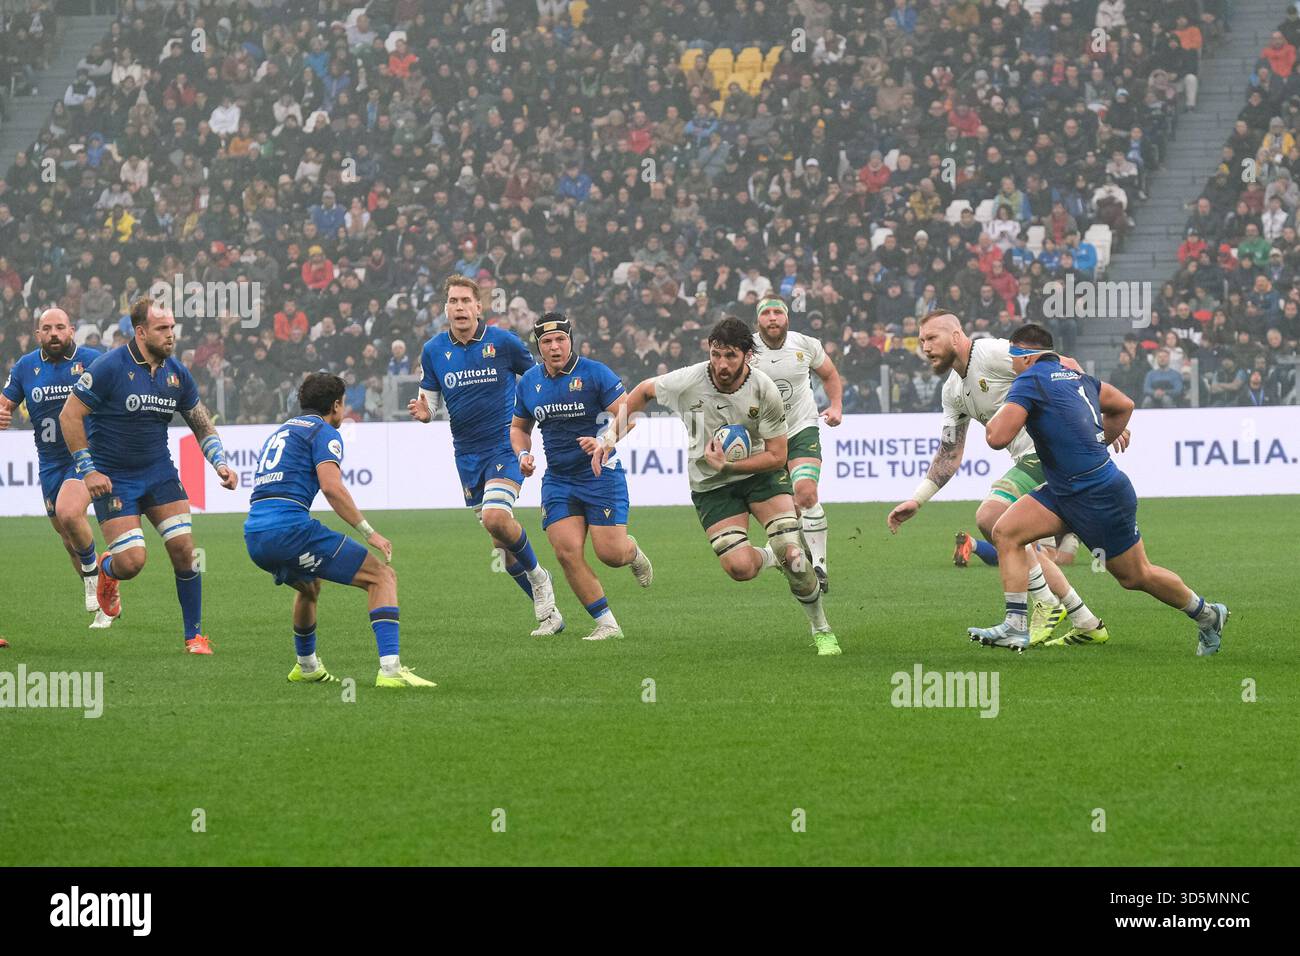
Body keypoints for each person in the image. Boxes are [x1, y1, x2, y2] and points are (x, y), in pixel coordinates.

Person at [587, 316, 841, 656]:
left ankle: (821, 628)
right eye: (716, 354)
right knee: (739, 569)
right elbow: (644, 391)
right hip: (712, 484)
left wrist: (731, 463)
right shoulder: (689, 380)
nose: (721, 364)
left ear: (748, 355)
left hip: (760, 475)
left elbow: (778, 456)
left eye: (731, 356)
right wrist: (608, 438)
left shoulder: (763, 389)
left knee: (794, 556)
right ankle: (770, 556)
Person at [970, 324, 1227, 655]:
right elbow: (1124, 404)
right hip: (1066, 490)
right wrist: (1098, 440)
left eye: (1013, 357)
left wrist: (991, 410)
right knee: (1005, 531)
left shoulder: (1028, 380)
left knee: (1136, 577)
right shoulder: (1077, 377)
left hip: (1098, 495)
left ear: (1027, 356)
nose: (1011, 364)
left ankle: (1208, 615)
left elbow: (997, 438)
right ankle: (1016, 626)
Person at [887, 310, 1101, 646]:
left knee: (991, 517)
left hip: (1052, 451)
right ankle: (1084, 619)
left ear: (956, 336)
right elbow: (948, 453)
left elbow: (1063, 363)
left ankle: (1044, 602)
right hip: (1034, 457)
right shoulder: (952, 391)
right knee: (1016, 539)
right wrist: (918, 499)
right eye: (922, 340)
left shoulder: (990, 353)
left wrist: (1100, 419)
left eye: (932, 338)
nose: (925, 347)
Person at [60, 298, 237, 654]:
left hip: (159, 472)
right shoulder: (110, 366)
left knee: (185, 551)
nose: (170, 335)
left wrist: (219, 462)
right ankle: (108, 570)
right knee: (133, 562)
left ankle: (194, 636)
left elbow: (201, 423)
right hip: (115, 478)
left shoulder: (176, 373)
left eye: (172, 328)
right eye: (162, 328)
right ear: (140, 332)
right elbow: (69, 415)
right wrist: (88, 470)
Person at [244, 372, 435, 687]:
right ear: (335, 405)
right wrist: (368, 532)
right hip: (289, 530)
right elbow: (332, 488)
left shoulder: (282, 430)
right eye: (343, 405)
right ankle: (391, 670)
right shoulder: (324, 432)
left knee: (308, 585)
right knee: (382, 576)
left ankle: (306, 666)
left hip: (255, 534)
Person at [407, 276, 561, 635]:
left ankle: (540, 578)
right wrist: (423, 412)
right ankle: (550, 616)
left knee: (495, 518)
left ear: (479, 307)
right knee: (503, 547)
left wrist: (540, 415)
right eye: (452, 301)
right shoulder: (433, 350)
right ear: (445, 309)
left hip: (503, 446)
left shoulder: (503, 342)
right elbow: (429, 403)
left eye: (465, 301)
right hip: (467, 456)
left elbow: (537, 377)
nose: (459, 308)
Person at [511, 313, 653, 641]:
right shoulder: (529, 382)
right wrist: (523, 455)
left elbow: (627, 414)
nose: (555, 346)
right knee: (566, 552)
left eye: (560, 339)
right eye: (547, 342)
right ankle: (606, 623)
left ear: (571, 340)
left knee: (610, 554)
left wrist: (605, 440)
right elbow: (519, 428)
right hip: (559, 479)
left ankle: (631, 552)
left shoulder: (595, 373)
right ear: (539, 347)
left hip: (600, 474)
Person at [0, 308, 114, 630]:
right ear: (38, 335)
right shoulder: (25, 367)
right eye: (47, 328)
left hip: (86, 457)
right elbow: (4, 403)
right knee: (68, 538)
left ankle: (95, 577)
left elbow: (118, 392)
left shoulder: (93, 360)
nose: (53, 333)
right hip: (49, 463)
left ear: (71, 331)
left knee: (68, 511)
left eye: (59, 328)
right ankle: (105, 596)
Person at [750, 296, 843, 591]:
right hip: (765, 435)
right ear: (759, 320)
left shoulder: (806, 344)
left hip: (802, 427)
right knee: (787, 508)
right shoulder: (745, 349)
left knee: (805, 491)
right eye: (767, 313)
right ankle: (776, 554)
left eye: (778, 312)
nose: (773, 318)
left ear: (787, 317)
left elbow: (829, 374)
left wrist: (836, 405)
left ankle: (819, 565)